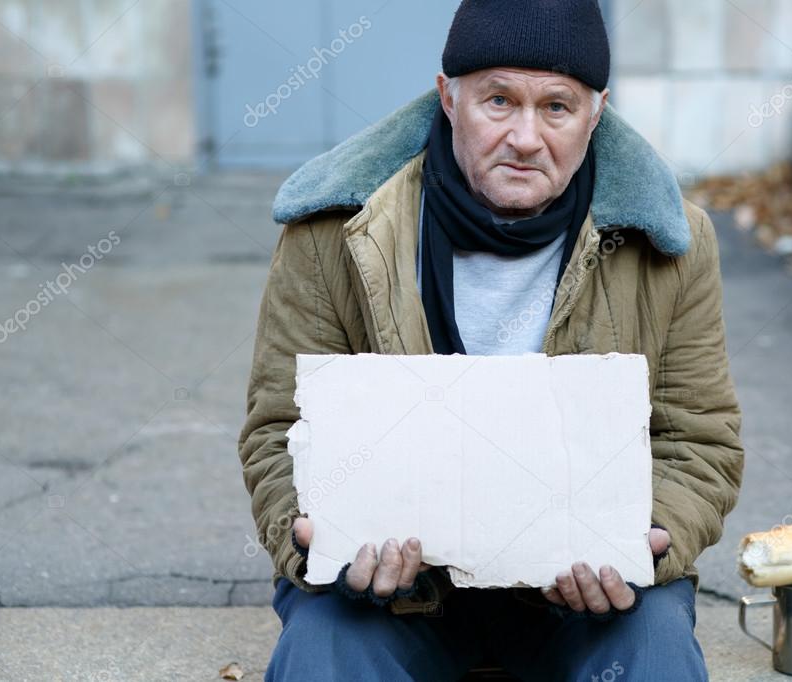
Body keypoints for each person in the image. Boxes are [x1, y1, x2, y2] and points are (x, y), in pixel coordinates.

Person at [238, 1, 744, 679]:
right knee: (325, 656)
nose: (526, 138)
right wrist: (314, 536)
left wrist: (645, 542)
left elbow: (698, 436)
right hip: (395, 592)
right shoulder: (332, 232)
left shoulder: (670, 242)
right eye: (498, 101)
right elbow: (279, 428)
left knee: (653, 657)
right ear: (448, 98)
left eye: (557, 108)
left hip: (580, 595)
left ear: (595, 113)